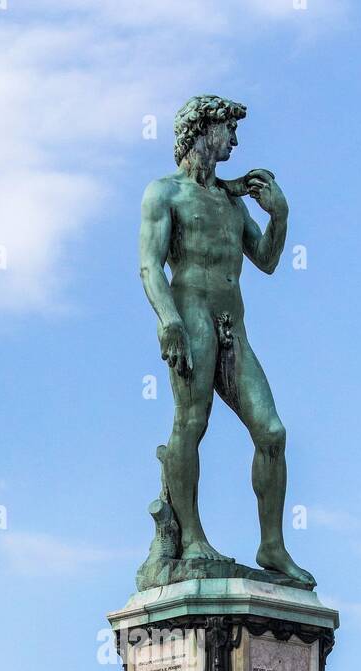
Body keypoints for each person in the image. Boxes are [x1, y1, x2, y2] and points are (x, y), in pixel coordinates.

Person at [139, 95, 314, 587]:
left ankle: (272, 546)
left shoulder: (230, 199)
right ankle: (191, 537)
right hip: (190, 315)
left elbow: (266, 259)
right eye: (228, 131)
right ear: (202, 130)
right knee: (191, 424)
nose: (235, 142)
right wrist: (168, 319)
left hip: (233, 325)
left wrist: (279, 215)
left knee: (272, 432)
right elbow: (150, 265)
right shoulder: (164, 193)